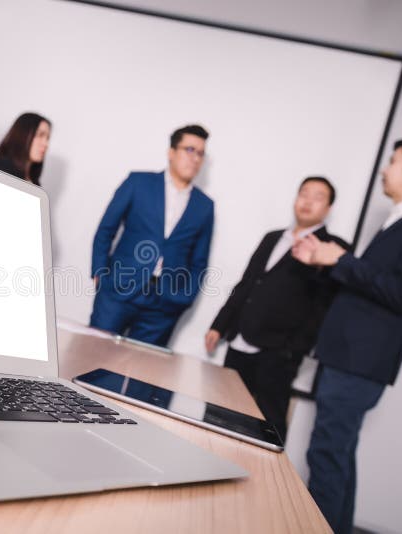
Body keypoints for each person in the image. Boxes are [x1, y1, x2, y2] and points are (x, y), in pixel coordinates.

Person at [291, 136, 402, 534]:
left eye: (393, 161)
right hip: (345, 357)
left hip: (360, 363)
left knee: (327, 456)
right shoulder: (398, 219)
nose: (385, 169)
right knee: (339, 457)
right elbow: (370, 287)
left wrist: (341, 259)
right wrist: (324, 262)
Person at [204, 177, 349, 441]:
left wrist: (294, 349)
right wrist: (219, 324)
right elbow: (247, 283)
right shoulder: (272, 238)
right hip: (240, 341)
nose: (307, 201)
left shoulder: (332, 248)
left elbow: (323, 306)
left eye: (317, 197)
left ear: (328, 208)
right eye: (303, 193)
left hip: (278, 351)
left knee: (269, 424)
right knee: (220, 413)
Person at [90, 124, 214, 347]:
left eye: (200, 153)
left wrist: (184, 299)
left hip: (164, 306)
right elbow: (106, 229)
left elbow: (199, 262)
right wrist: (100, 273)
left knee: (141, 372)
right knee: (92, 355)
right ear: (171, 152)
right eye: (189, 149)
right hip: (118, 291)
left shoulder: (205, 206)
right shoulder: (138, 182)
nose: (195, 158)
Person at [0, 113, 51, 185]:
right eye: (40, 135)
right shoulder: (2, 168)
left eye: (47, 138)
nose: (46, 144)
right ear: (23, 135)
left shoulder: (34, 181)